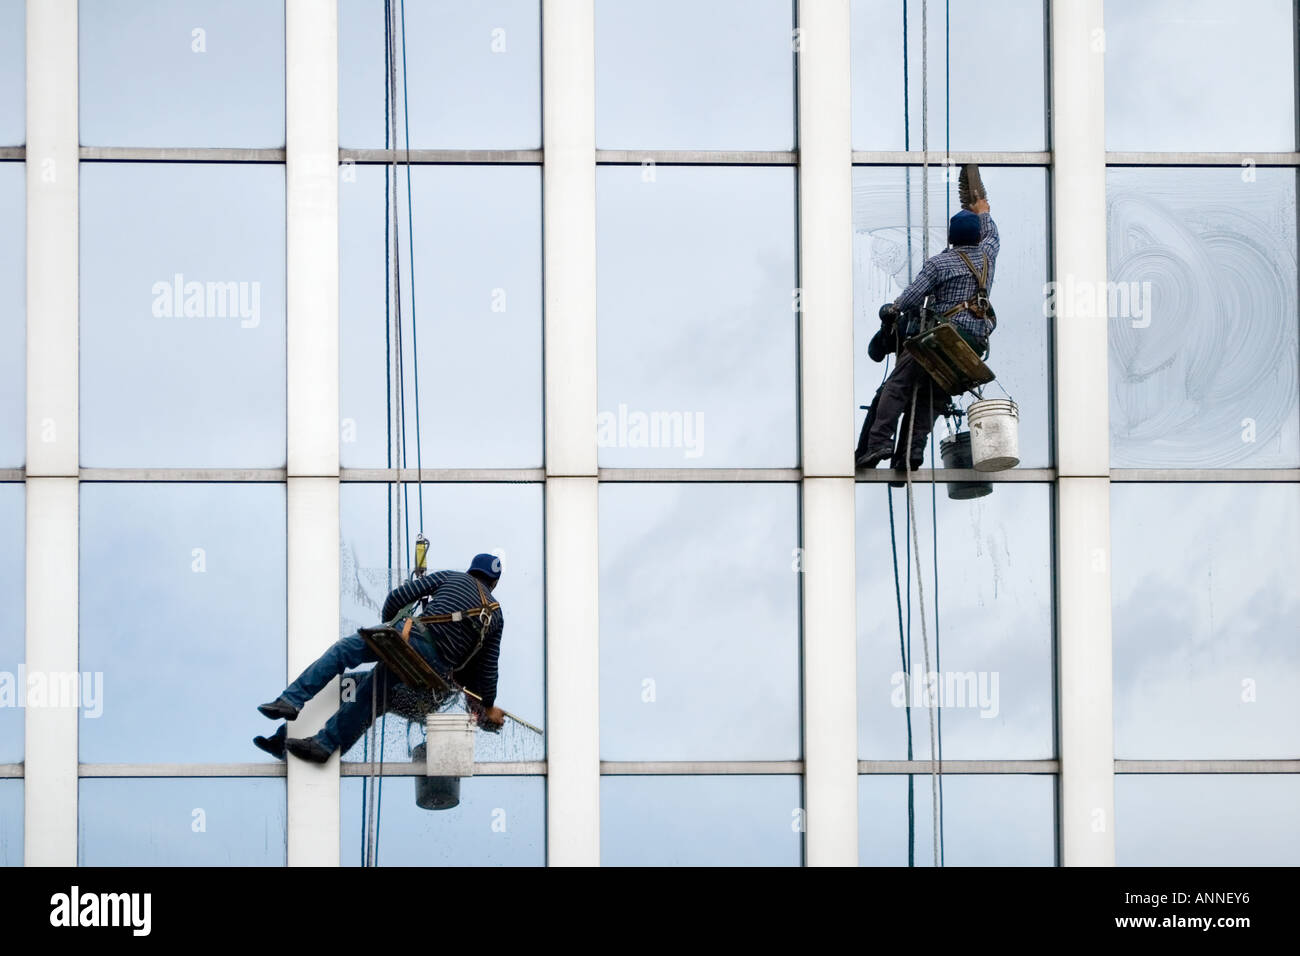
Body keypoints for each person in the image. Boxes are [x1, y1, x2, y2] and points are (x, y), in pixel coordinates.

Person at [254, 553, 507, 763]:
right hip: (432, 676)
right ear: (493, 583)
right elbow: (487, 670)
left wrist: (390, 628)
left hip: (408, 641)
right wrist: (488, 705)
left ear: (470, 570)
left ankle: (290, 701)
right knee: (368, 693)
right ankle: (316, 743)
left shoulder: (452, 577)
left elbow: (398, 597)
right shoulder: (495, 616)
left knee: (344, 654)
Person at [855, 198, 999, 474]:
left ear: (950, 237)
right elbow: (993, 236)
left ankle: (879, 442)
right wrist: (984, 213)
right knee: (932, 395)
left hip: (942, 337)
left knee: (897, 385)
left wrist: (893, 309)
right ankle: (912, 452)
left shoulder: (940, 264)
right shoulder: (986, 259)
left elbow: (912, 296)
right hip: (971, 344)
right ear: (978, 236)